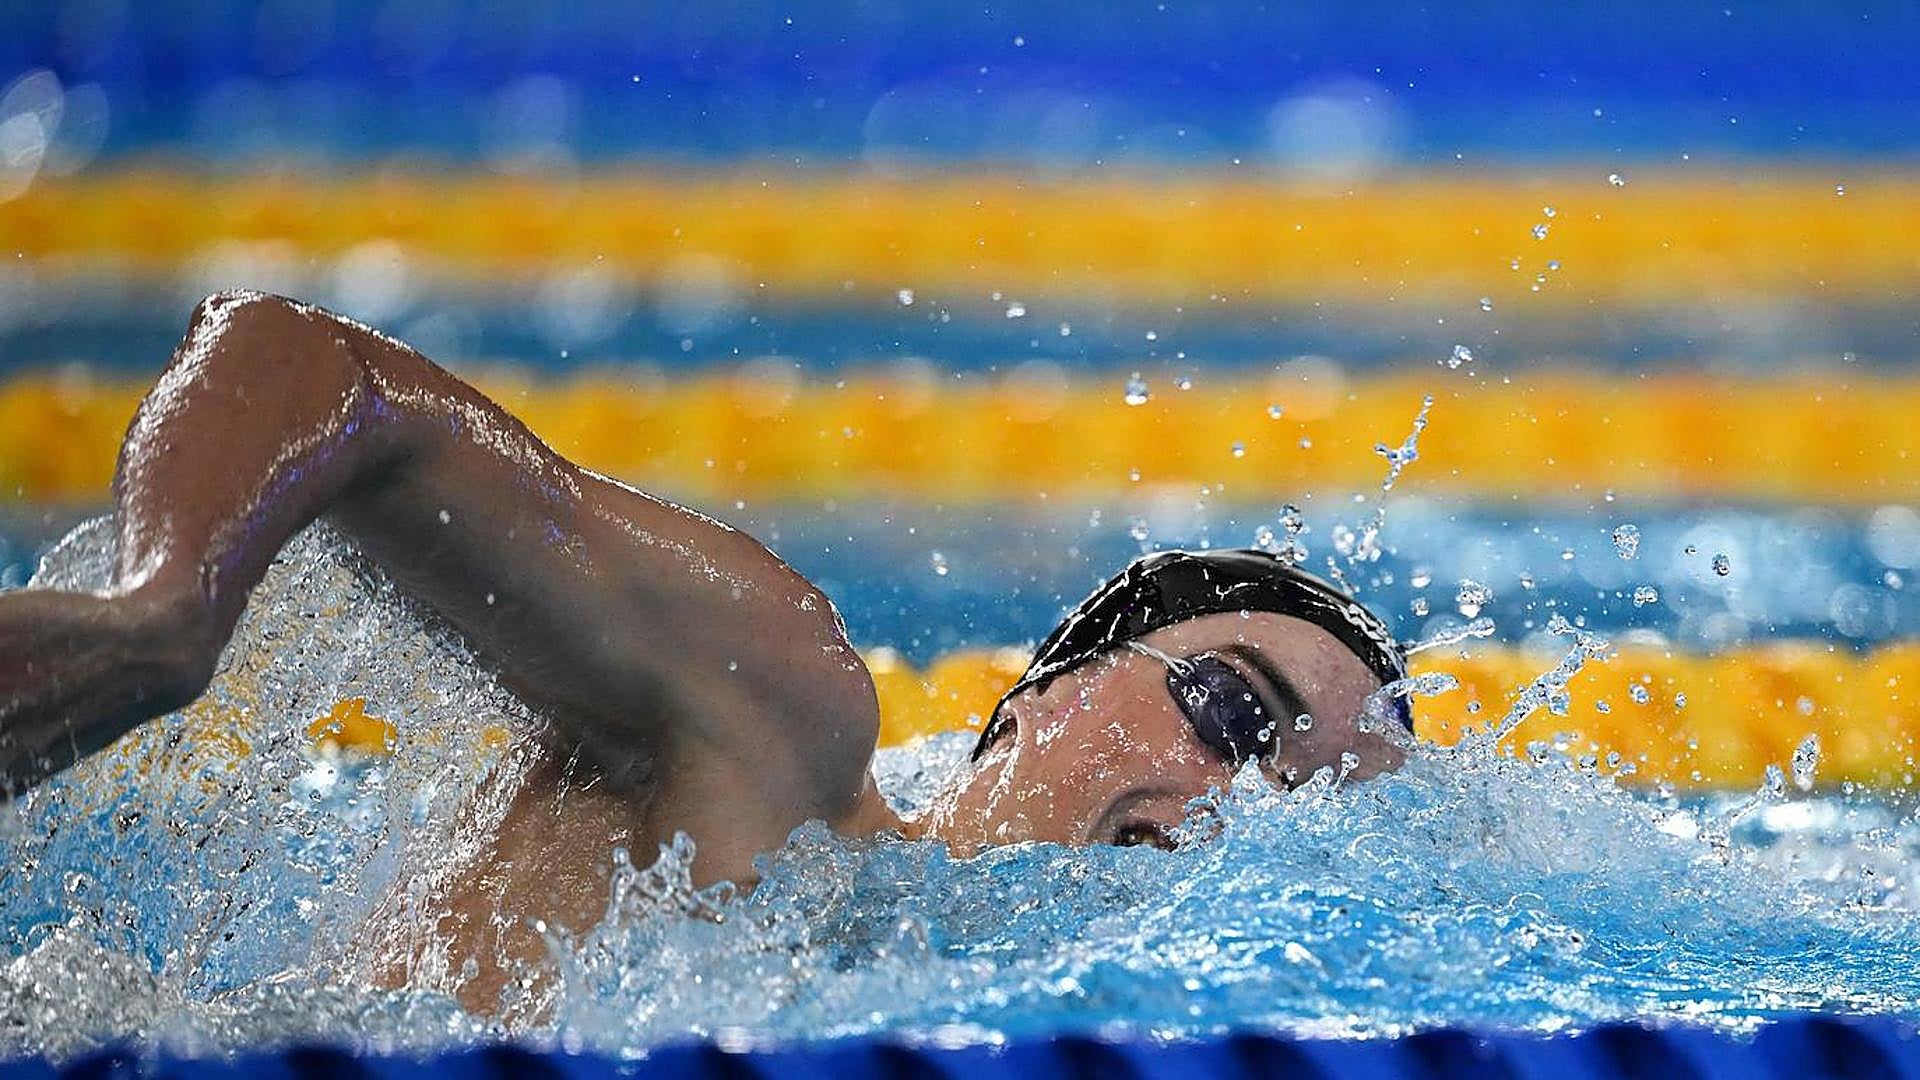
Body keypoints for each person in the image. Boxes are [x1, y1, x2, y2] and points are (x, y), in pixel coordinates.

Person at [0, 291, 1411, 1006]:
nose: (1246, 805)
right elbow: (314, 364)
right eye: (1233, 711)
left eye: (1312, 805)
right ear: (1040, 696)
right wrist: (164, 610)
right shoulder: (779, 724)